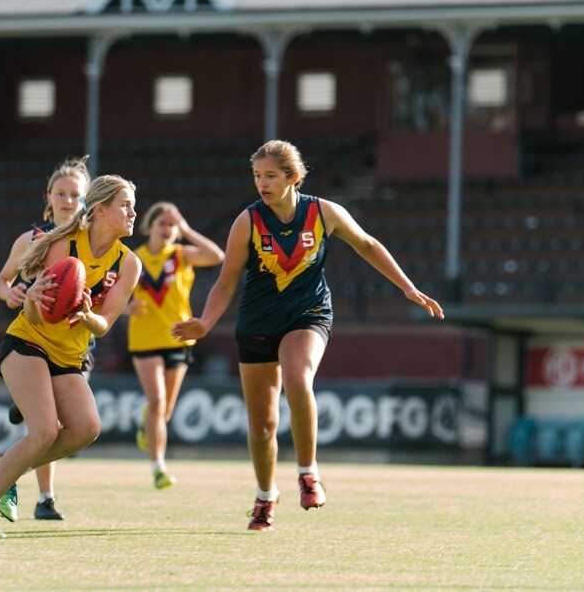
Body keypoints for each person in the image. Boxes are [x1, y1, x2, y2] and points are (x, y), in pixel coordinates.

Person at [172, 140, 443, 531]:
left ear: (293, 178)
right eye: (257, 176)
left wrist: (407, 288)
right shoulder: (247, 221)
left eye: (270, 176)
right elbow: (226, 281)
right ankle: (265, 497)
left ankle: (308, 473)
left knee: (298, 378)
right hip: (258, 322)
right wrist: (206, 321)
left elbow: (367, 244)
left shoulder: (323, 212)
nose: (262, 183)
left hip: (308, 313)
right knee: (262, 425)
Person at [0, 174, 142, 538]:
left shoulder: (129, 263)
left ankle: (6, 471)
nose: (134, 212)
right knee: (43, 431)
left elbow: (103, 325)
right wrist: (31, 299)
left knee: (87, 428)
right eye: (125, 205)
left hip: (68, 358)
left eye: (133, 205)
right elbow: (38, 314)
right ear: (101, 210)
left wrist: (86, 314)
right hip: (28, 342)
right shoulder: (63, 245)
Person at [0, 155, 90, 521]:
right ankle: (45, 497)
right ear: (48, 198)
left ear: (85, 200)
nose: (67, 201)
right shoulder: (31, 239)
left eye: (75, 195)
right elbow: (1, 281)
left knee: (69, 427)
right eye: (60, 194)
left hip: (76, 344)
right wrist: (11, 293)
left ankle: (13, 476)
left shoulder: (92, 242)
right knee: (46, 426)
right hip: (33, 340)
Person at [126, 202, 223, 489]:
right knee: (157, 401)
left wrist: (187, 229)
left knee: (163, 411)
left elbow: (216, 256)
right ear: (150, 226)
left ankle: (149, 422)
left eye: (172, 224)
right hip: (144, 338)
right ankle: (158, 466)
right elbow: (110, 295)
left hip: (177, 337)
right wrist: (125, 309)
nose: (168, 229)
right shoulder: (134, 259)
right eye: (163, 224)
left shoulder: (181, 255)